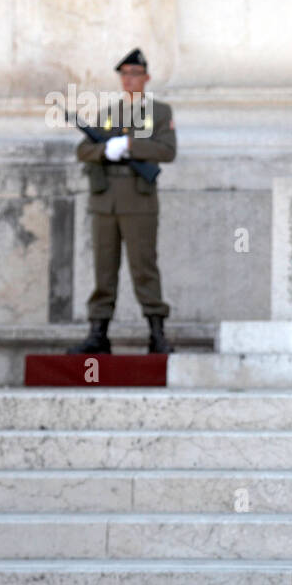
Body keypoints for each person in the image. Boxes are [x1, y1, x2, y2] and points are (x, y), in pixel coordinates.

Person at [67, 48, 177, 355]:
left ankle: (157, 334)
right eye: (125, 74)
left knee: (144, 268)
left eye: (135, 74)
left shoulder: (160, 113)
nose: (129, 80)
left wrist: (129, 145)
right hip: (105, 202)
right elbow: (83, 151)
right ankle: (98, 334)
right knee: (104, 271)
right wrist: (106, 151)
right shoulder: (108, 114)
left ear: (146, 78)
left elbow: (167, 151)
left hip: (139, 201)